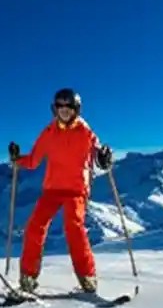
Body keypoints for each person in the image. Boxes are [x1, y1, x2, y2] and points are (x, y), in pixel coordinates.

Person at [8, 88, 113, 294]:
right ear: (54, 109)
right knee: (34, 227)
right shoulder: (48, 133)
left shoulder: (86, 133)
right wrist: (17, 159)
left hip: (76, 190)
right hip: (52, 190)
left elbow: (99, 156)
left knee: (74, 227)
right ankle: (28, 277)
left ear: (76, 109)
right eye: (60, 106)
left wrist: (104, 158)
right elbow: (33, 160)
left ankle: (87, 277)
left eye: (68, 106)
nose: (64, 110)